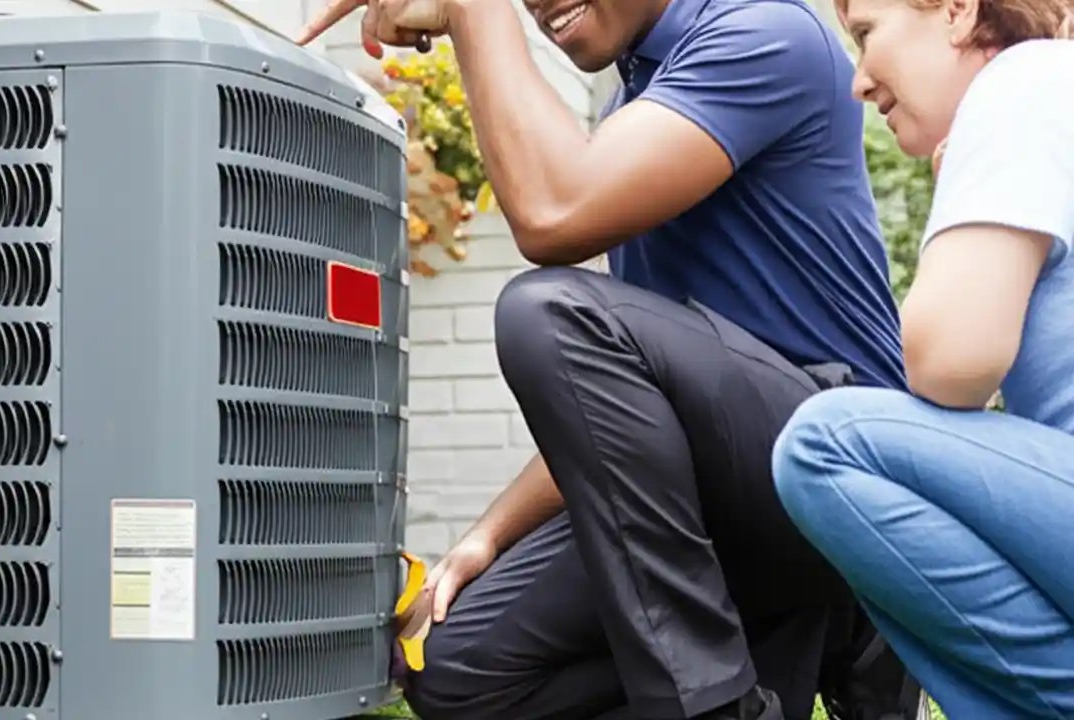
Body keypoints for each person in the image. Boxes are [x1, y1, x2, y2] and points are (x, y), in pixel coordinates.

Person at [296, 0, 923, 717]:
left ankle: (717, 700)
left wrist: (472, 8)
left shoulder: (764, 33)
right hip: (720, 495)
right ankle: (759, 681)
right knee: (455, 667)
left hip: (841, 477)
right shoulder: (639, 101)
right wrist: (485, 537)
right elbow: (626, 411)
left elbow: (553, 215)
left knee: (548, 311)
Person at [770, 0, 1074, 716]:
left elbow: (946, 359)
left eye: (867, 35)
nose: (859, 82)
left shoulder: (1023, 81)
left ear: (959, 12)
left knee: (827, 446)